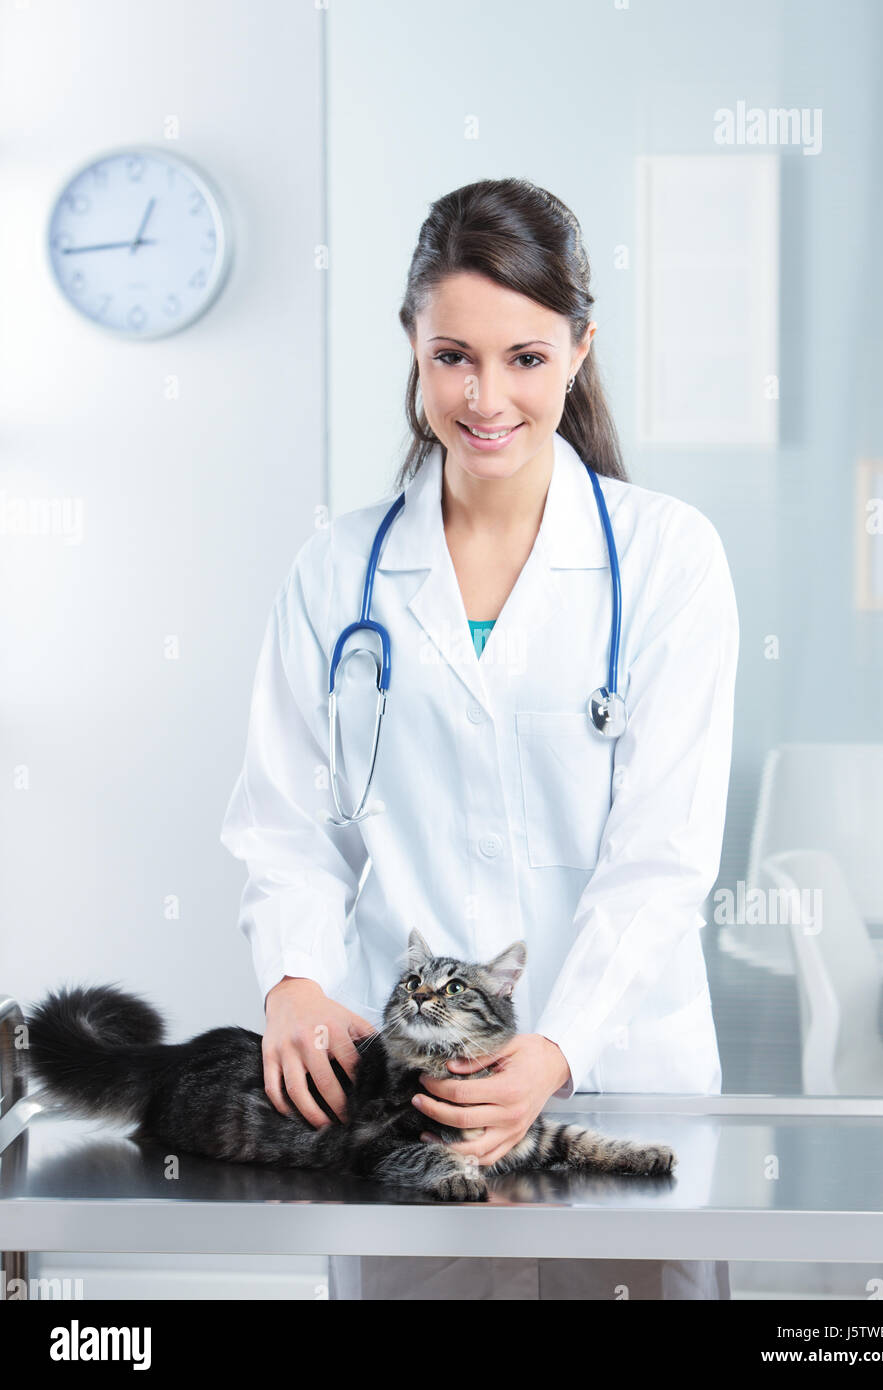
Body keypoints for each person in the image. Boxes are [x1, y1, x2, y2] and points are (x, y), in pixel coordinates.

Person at [220, 177, 739, 1300]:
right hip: (406, 1108)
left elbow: (664, 853)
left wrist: (555, 1048)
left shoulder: (666, 561)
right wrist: (296, 980)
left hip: (620, 1083)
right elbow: (284, 822)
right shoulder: (336, 572)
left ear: (580, 349)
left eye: (526, 358)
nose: (486, 396)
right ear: (410, 342)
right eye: (452, 355)